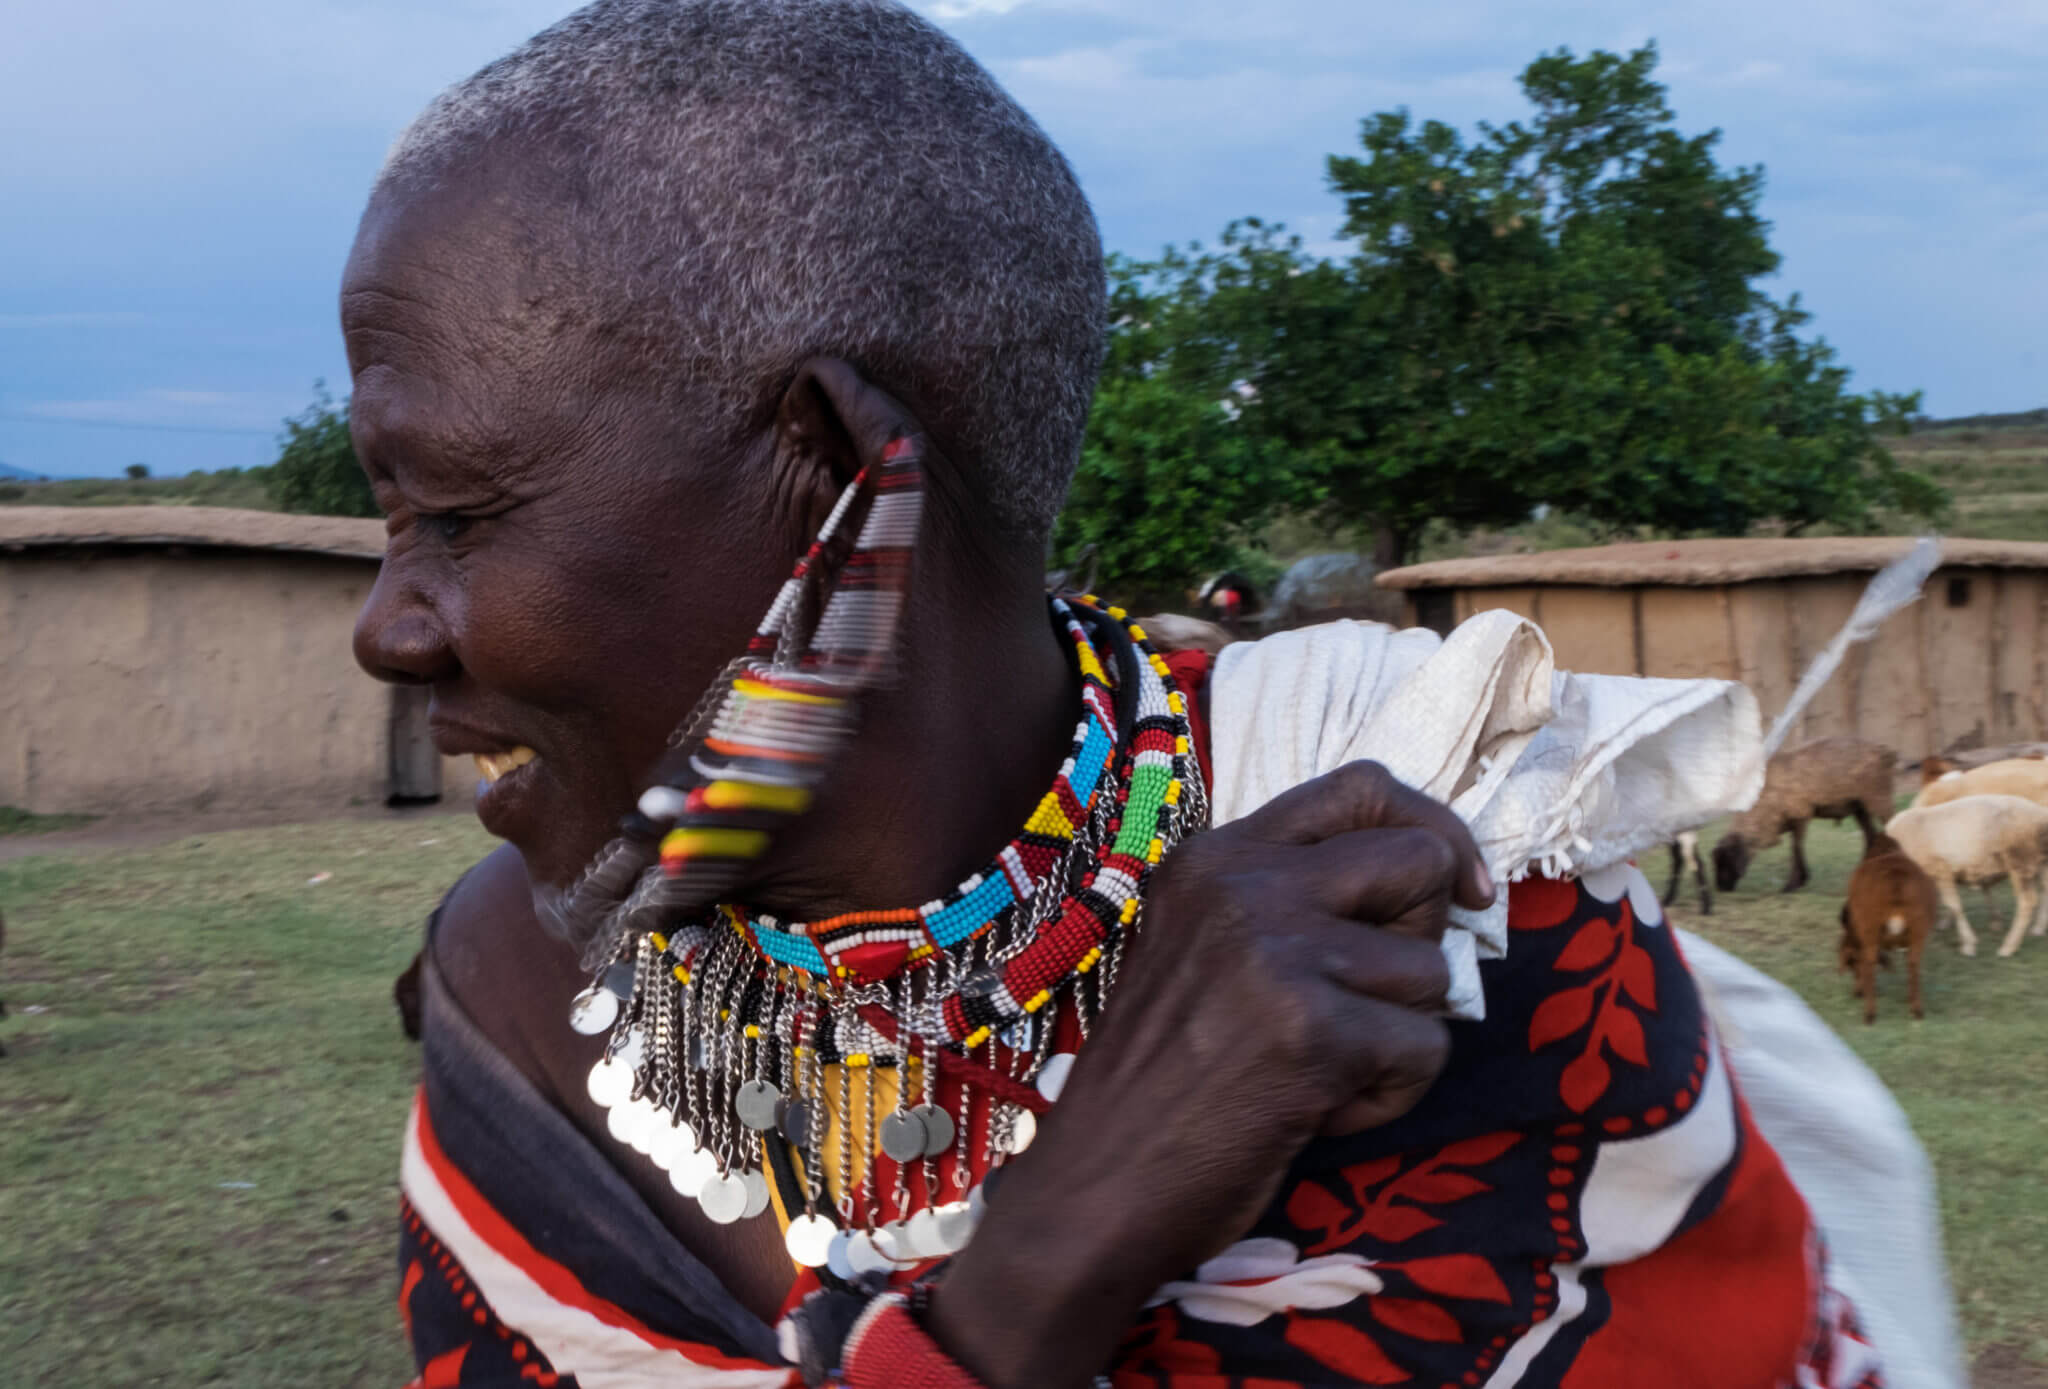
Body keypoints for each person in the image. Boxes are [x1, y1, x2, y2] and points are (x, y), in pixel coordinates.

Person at [349, 4, 1952, 1386]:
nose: (387, 628)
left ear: (832, 489)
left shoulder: (1435, 916)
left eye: (458, 514)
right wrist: (1034, 1275)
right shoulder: (516, 1002)